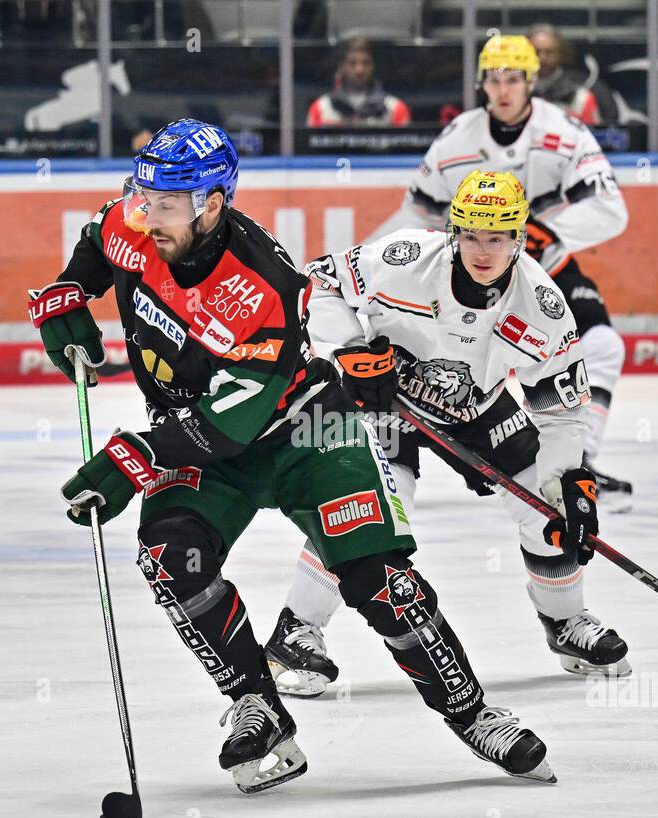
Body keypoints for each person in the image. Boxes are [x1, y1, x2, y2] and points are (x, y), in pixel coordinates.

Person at [31, 118, 555, 790]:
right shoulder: (134, 223)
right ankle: (257, 704)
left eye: (166, 206)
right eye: (143, 197)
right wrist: (68, 291)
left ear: (212, 203)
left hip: (306, 435)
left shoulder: (263, 287)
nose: (146, 216)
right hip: (195, 435)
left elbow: (231, 424)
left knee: (380, 583)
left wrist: (133, 457)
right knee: (170, 559)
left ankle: (473, 714)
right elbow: (98, 241)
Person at [263, 169, 632, 701]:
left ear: (520, 239)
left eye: (498, 237)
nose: (483, 250)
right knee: (367, 508)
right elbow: (318, 283)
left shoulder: (543, 308)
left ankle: (566, 622)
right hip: (386, 398)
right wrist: (350, 349)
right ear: (453, 232)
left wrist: (569, 479)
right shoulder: (405, 257)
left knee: (548, 514)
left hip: (477, 406)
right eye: (472, 235)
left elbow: (561, 413)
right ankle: (295, 632)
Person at [370, 34, 632, 513]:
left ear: (532, 81)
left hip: (543, 273)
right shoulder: (456, 140)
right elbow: (418, 214)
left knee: (602, 345)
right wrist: (368, 263)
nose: (503, 89)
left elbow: (610, 208)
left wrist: (552, 233)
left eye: (513, 78)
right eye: (494, 79)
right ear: (481, 84)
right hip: (473, 274)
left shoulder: (565, 132)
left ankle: (581, 464)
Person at [306, 38, 412, 127]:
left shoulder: (396, 109)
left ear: (373, 66)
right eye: (352, 63)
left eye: (366, 63)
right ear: (342, 66)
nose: (359, 69)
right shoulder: (320, 109)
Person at [527, 24, 610, 126]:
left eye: (549, 52)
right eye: (536, 52)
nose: (542, 58)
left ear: (561, 54)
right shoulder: (513, 91)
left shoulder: (580, 97)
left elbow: (592, 136)